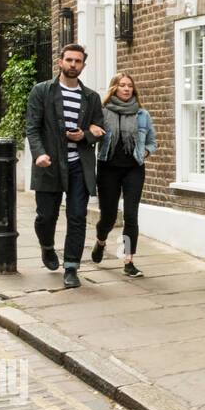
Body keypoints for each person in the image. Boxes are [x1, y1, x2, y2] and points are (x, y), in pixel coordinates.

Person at [25, 44, 106, 289]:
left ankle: (71, 267)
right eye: (69, 60)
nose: (73, 64)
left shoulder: (90, 97)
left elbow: (99, 128)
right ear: (60, 62)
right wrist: (38, 153)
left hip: (78, 165)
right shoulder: (42, 91)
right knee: (46, 216)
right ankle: (48, 247)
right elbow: (33, 127)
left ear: (83, 65)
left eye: (78, 61)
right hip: (49, 163)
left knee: (78, 216)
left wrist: (85, 136)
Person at [91, 72, 156, 277]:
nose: (127, 89)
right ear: (114, 88)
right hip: (108, 168)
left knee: (130, 216)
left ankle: (128, 260)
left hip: (133, 169)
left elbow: (152, 141)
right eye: (122, 85)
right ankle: (101, 241)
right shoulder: (101, 113)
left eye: (129, 85)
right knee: (108, 217)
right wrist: (92, 130)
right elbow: (91, 136)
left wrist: (146, 151)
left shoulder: (142, 115)